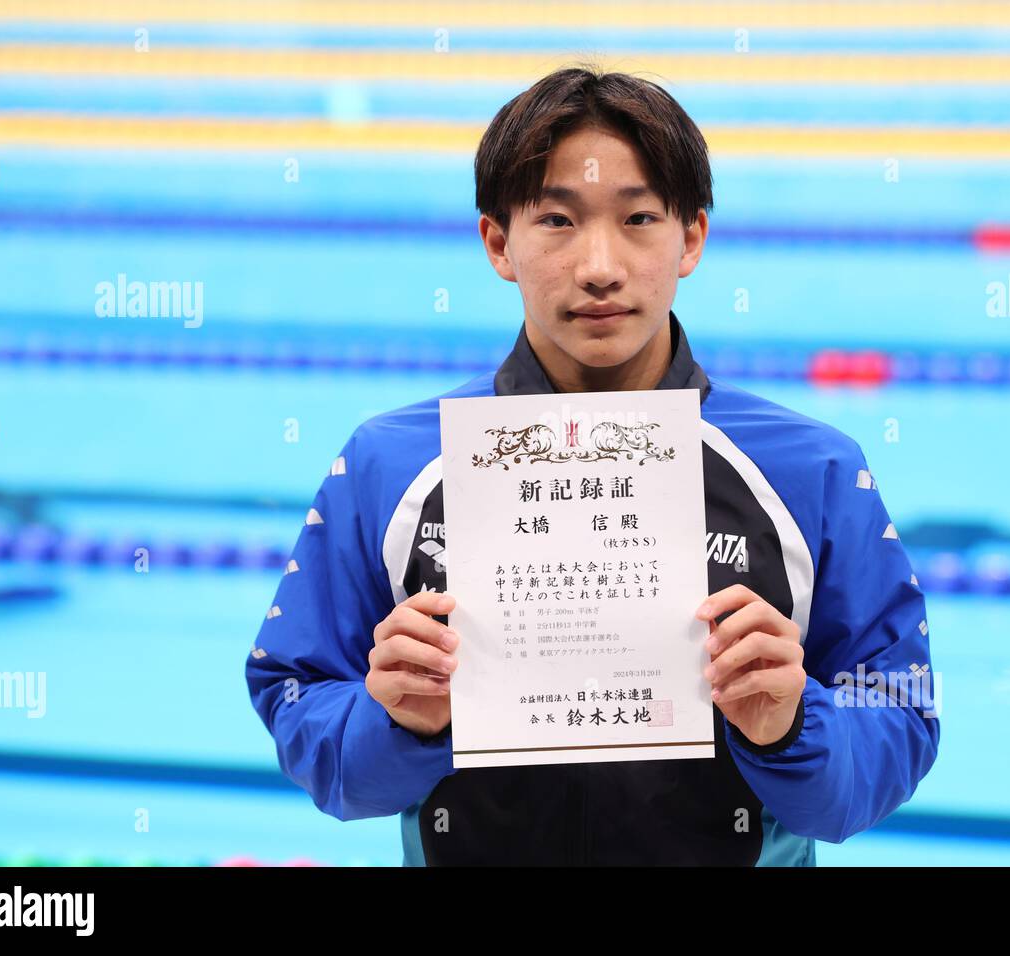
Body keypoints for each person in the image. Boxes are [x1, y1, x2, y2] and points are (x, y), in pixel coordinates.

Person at [246, 65, 939, 866]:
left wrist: (791, 725)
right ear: (498, 243)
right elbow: (299, 705)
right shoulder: (389, 466)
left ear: (691, 238)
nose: (599, 266)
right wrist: (392, 720)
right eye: (557, 220)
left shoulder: (812, 472)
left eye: (639, 217)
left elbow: (900, 717)